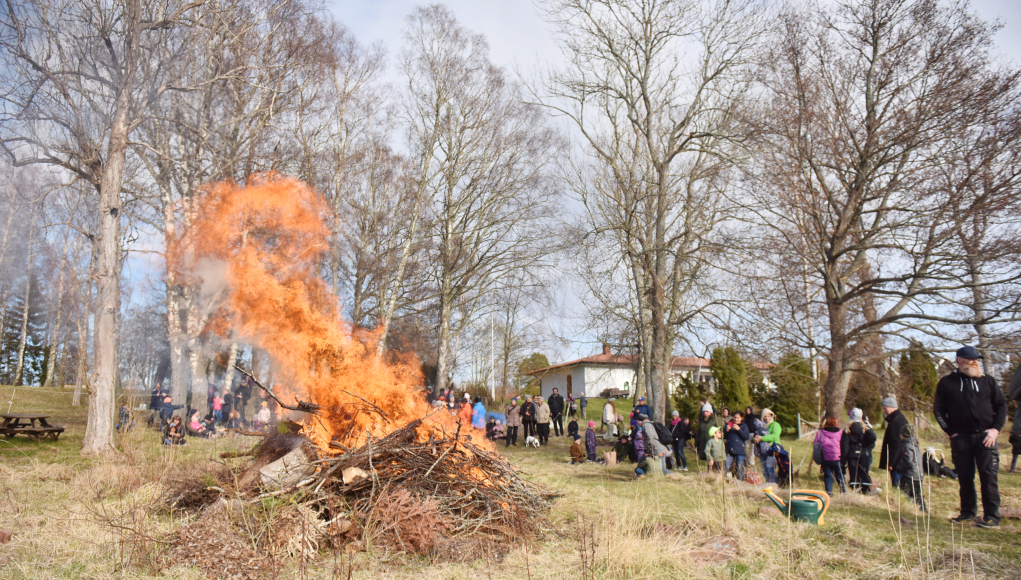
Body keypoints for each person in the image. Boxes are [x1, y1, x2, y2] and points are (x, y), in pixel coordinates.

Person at [933, 346, 1007, 528]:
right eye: (971, 359)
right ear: (959, 360)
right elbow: (938, 410)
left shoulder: (987, 381)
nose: (975, 362)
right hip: (961, 439)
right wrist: (951, 432)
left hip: (986, 437)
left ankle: (992, 517)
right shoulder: (946, 383)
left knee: (988, 477)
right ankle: (967, 513)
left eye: (977, 359)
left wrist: (995, 430)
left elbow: (1002, 406)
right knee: (964, 477)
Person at [843, 407, 877, 493]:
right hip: (863, 453)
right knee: (863, 471)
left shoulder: (847, 429)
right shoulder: (865, 428)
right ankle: (865, 489)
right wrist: (864, 444)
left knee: (853, 472)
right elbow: (873, 437)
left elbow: (845, 445)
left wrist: (843, 458)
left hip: (852, 454)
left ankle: (855, 488)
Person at [879, 396, 909, 489]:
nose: (884, 411)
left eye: (885, 408)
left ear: (891, 407)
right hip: (902, 458)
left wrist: (891, 462)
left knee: (897, 485)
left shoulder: (895, 422)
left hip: (898, 461)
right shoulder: (899, 418)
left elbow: (895, 444)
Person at [896, 423, 926, 511]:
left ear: (904, 435)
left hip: (910, 475)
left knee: (903, 492)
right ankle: (922, 509)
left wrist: (899, 467)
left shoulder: (907, 445)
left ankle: (904, 508)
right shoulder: (915, 444)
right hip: (918, 474)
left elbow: (908, 460)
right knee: (917, 494)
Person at [814, 415, 846, 495]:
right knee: (840, 476)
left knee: (828, 476)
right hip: (837, 458)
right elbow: (843, 444)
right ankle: (844, 493)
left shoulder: (820, 432)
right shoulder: (840, 432)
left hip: (826, 459)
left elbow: (816, 444)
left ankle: (829, 494)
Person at [756, 408, 782, 483]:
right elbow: (755, 436)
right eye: (765, 416)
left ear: (772, 416)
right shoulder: (761, 426)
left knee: (770, 468)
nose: (767, 418)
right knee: (764, 470)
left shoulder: (775, 425)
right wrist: (755, 439)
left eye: (768, 416)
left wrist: (761, 438)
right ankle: (768, 484)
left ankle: (773, 485)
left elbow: (775, 436)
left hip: (772, 449)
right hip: (762, 451)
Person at [724, 411, 750, 481]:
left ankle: (740, 482)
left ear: (741, 418)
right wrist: (726, 430)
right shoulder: (729, 425)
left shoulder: (744, 426)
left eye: (738, 418)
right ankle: (723, 481)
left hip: (740, 451)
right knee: (725, 466)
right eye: (734, 417)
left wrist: (739, 430)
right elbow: (724, 436)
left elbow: (746, 437)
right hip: (729, 450)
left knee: (739, 468)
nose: (736, 419)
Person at [1007, 364, 1021, 473]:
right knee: (1016, 451)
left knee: (1016, 451)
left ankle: (1012, 468)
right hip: (1018, 431)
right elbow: (1013, 392)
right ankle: (1012, 468)